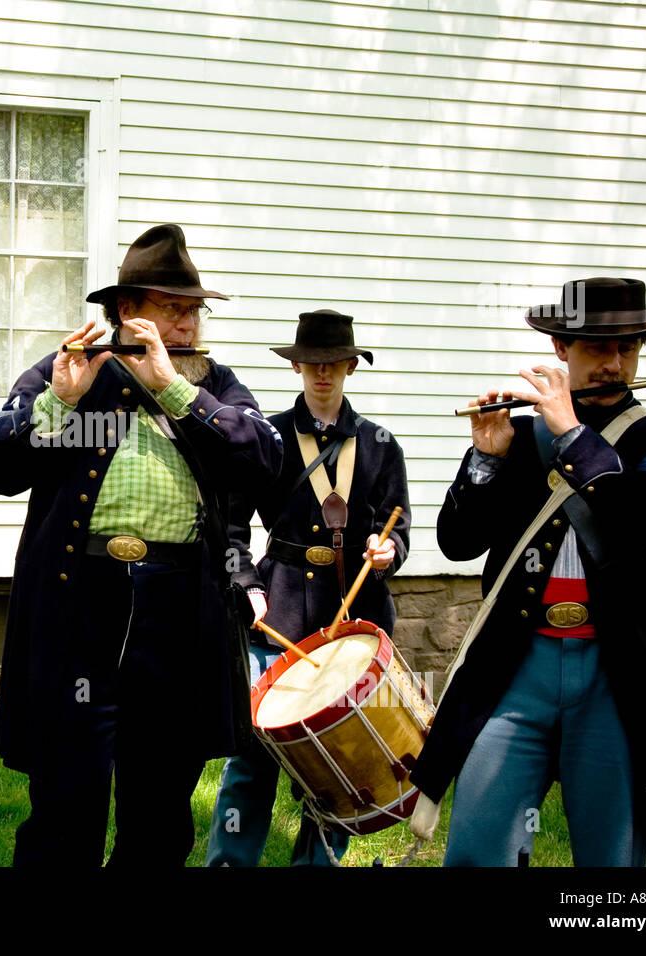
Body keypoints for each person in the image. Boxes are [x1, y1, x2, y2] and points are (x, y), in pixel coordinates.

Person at [0, 223, 283, 865]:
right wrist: (57, 405)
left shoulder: (211, 387)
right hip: (80, 606)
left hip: (176, 612)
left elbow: (265, 461)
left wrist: (175, 389)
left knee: (160, 811)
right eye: (172, 309)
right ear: (125, 311)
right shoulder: (69, 371)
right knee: (66, 802)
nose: (187, 324)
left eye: (193, 311)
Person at [411, 277, 646, 866]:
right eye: (596, 348)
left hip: (616, 667)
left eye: (627, 348)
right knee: (478, 843)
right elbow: (457, 544)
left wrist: (571, 434)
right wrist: (484, 462)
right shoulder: (519, 435)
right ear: (561, 349)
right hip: (519, 661)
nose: (613, 363)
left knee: (614, 854)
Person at [206, 309, 410, 866]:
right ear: (296, 365)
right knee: (253, 755)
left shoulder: (380, 443)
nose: (323, 374)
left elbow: (400, 523)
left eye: (335, 364)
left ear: (350, 366)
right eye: (312, 364)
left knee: (340, 759)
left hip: (354, 619)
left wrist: (389, 552)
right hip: (281, 609)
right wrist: (245, 582)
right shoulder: (265, 436)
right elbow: (230, 524)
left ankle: (317, 864)